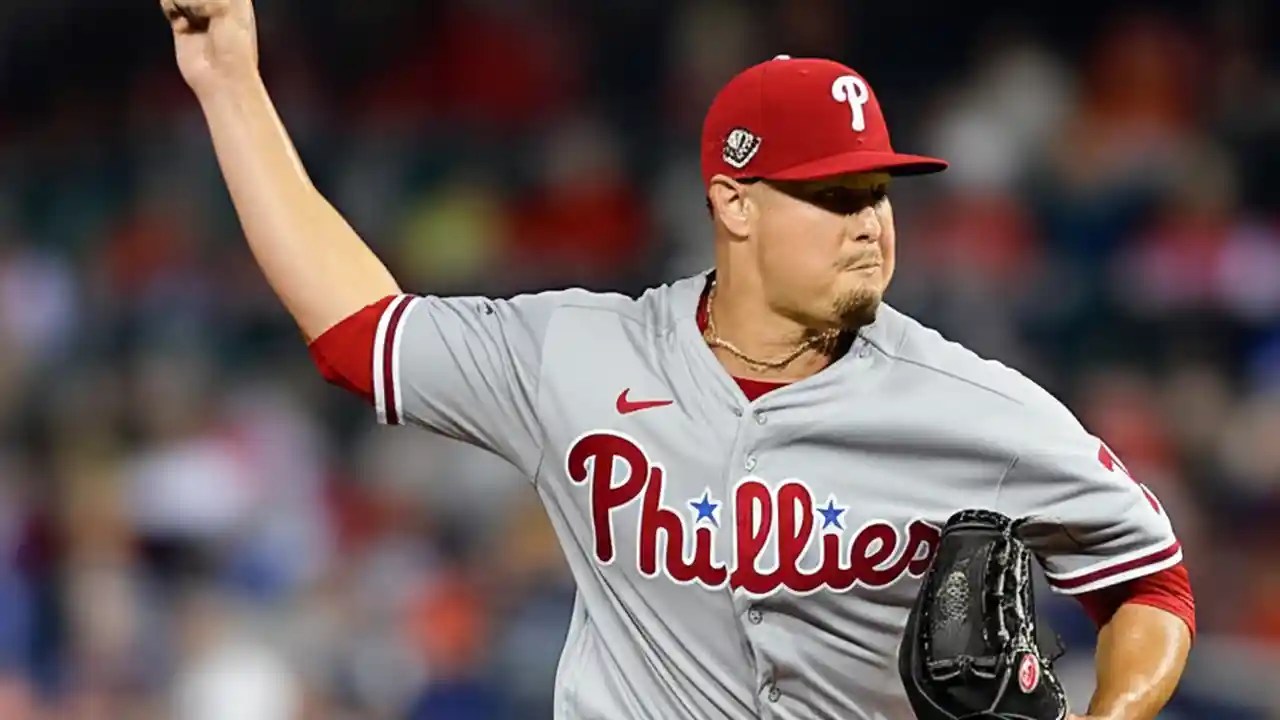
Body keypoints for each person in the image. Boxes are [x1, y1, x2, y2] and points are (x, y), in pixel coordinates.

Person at [160, 1, 1195, 718]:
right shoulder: (578, 353)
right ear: (733, 205)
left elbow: (1151, 585)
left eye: (877, 194)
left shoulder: (969, 407)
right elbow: (358, 333)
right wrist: (230, 84)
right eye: (831, 196)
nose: (869, 224)